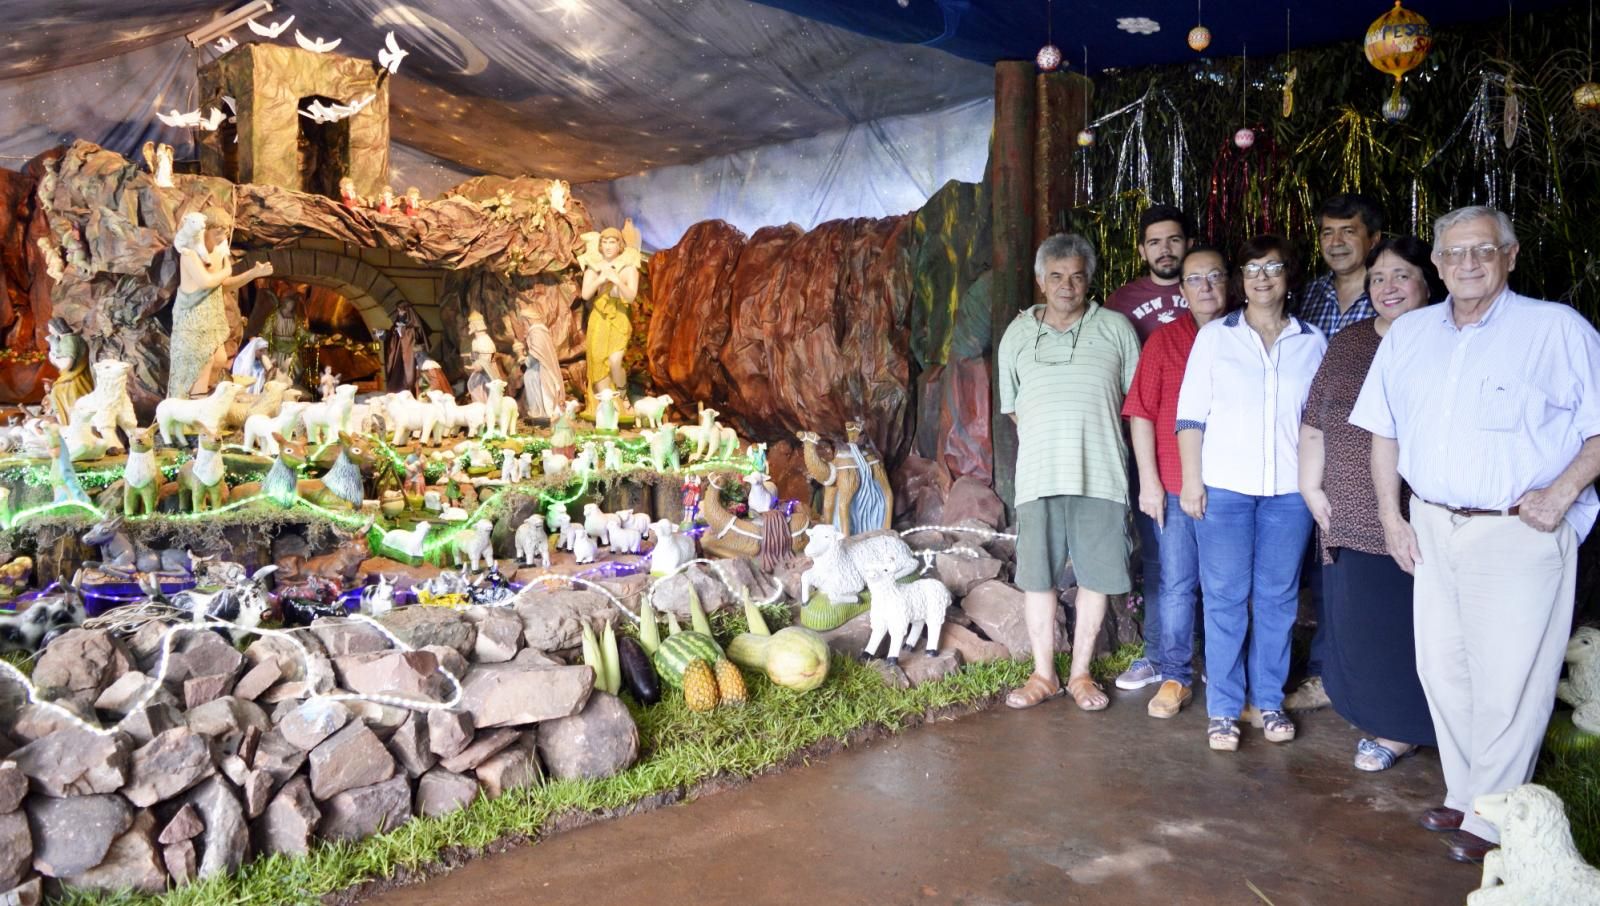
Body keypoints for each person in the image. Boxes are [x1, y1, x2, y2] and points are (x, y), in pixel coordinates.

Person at [1350, 206, 1600, 864]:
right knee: (1443, 669)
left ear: (1509, 257)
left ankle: (1496, 817)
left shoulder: (1556, 329)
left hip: (1516, 530)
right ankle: (1466, 795)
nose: (1467, 264)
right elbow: (1384, 430)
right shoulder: (1409, 336)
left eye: (1482, 252)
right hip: (1431, 523)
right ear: (1436, 264)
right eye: (1454, 254)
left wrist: (1564, 492)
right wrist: (1389, 515)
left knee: (1508, 678)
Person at [1299, 236, 1444, 773]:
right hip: (1349, 511)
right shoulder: (1350, 342)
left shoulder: (1445, 338)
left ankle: (1411, 729)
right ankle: (1383, 721)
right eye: (1378, 278)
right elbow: (1315, 421)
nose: (1388, 287)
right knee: (1363, 624)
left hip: (1419, 513)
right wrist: (1311, 488)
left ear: (1427, 283)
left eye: (1401, 276)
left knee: (1411, 624)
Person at [1176, 235, 1326, 752]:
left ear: (1290, 277)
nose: (1263, 278)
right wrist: (1191, 481)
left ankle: (1267, 700)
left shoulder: (1312, 341)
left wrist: (1316, 487)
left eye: (1273, 268)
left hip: (1289, 493)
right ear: (1241, 280)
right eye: (1253, 269)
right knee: (1223, 599)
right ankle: (1222, 709)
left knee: (1278, 599)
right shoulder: (1217, 337)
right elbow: (1190, 415)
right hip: (1224, 489)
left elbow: (1319, 424)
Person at [998, 233, 1141, 712]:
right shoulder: (1017, 335)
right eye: (1056, 276)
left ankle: (1080, 674)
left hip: (1101, 474)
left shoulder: (1116, 329)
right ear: (1041, 281)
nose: (1067, 285)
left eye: (1077, 276)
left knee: (1096, 576)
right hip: (1038, 476)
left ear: (1089, 280)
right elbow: (1014, 408)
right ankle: (1044, 675)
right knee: (1038, 578)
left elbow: (1133, 403)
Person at [1284, 193, 1386, 712]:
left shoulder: (1392, 295)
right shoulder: (1304, 296)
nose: (1336, 242)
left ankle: (1346, 676)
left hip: (1373, 456)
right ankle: (1318, 669)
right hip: (1307, 447)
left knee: (1350, 567)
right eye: (1327, 232)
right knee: (1312, 567)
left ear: (1372, 240)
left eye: (1348, 231)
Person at [1120, 246, 1230, 718]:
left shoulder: (1245, 337)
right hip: (1171, 481)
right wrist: (1148, 482)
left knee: (1230, 585)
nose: (1205, 287)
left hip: (1234, 484)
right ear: (1181, 290)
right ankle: (1175, 676)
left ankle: (1230, 676)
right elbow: (1141, 413)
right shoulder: (1165, 342)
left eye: (1214, 277)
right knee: (1176, 583)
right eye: (1194, 279)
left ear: (1231, 283)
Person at [1107, 205, 1196, 693]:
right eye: (1155, 242)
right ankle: (1160, 656)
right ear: (1142, 250)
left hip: (1212, 454)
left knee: (1213, 563)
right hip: (1151, 448)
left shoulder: (1210, 295)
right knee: (1162, 559)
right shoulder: (1123, 301)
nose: (1166, 249)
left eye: (1174, 240)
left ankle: (1197, 657)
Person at [168, 212, 273, 399]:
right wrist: (227, 270)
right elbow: (206, 281)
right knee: (202, 362)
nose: (224, 233)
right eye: (218, 230)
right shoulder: (189, 254)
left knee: (220, 360)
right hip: (194, 316)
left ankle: (207, 401)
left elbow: (223, 285)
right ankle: (194, 408)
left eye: (226, 229)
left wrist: (254, 273)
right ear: (205, 230)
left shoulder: (220, 255)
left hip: (213, 315)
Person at [579, 226, 640, 414]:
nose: (607, 246)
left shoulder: (629, 268)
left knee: (615, 361)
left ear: (619, 244)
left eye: (612, 242)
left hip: (619, 317)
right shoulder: (594, 266)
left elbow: (630, 297)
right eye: (604, 242)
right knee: (597, 360)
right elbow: (585, 294)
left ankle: (623, 396)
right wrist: (600, 279)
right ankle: (607, 406)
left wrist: (617, 280)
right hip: (599, 318)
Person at [44, 317, 93, 423]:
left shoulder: (68, 341)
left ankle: (69, 423)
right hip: (76, 376)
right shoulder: (70, 339)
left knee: (59, 391)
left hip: (74, 379)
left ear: (57, 328)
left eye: (50, 328)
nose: (49, 331)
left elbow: (66, 365)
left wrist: (54, 358)